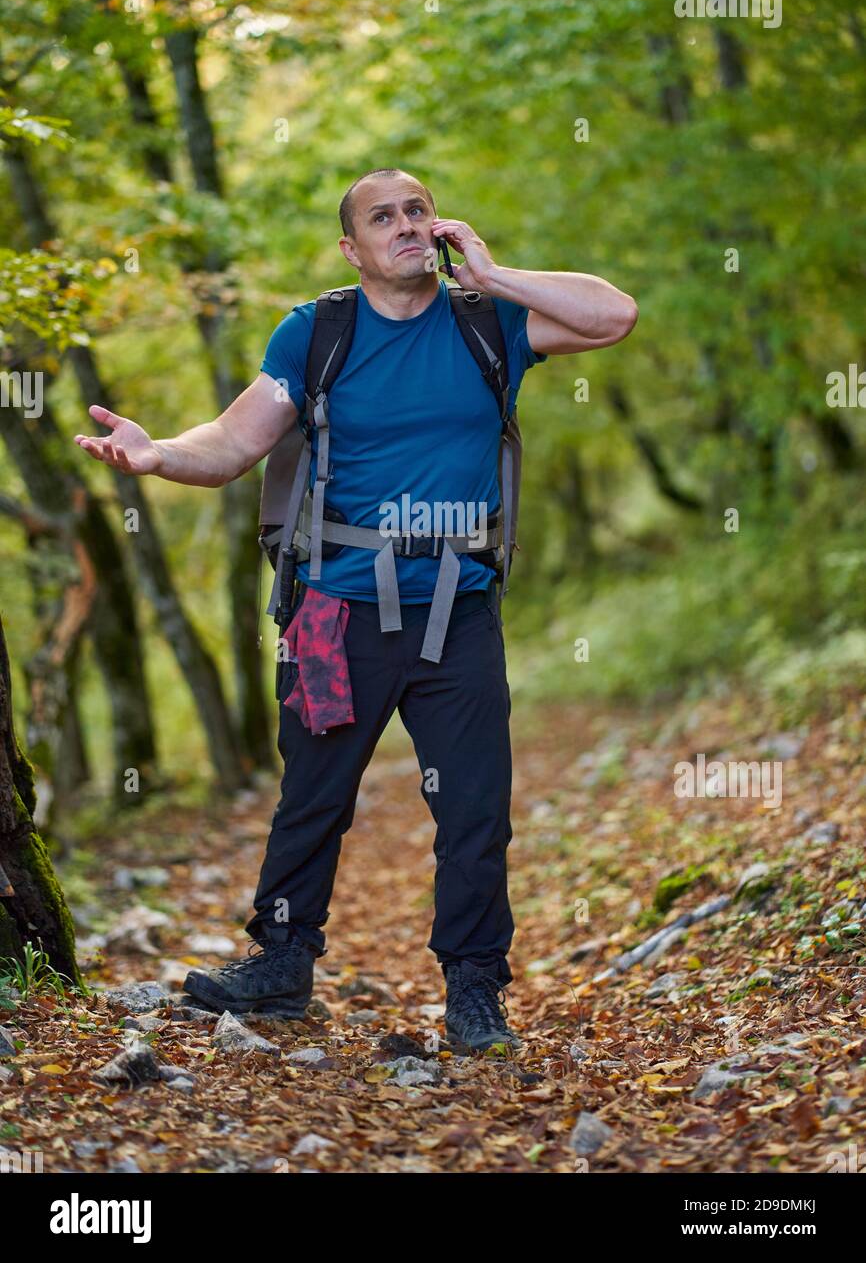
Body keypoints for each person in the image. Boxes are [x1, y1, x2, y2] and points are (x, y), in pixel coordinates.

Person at [74, 168, 638, 1051]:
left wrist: (491, 275)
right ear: (353, 248)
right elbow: (230, 444)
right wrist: (156, 457)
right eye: (385, 217)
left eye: (418, 210)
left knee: (476, 808)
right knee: (313, 794)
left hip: (460, 609)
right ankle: (282, 963)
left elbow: (616, 315)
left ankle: (476, 988)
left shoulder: (491, 322)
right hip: (334, 612)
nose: (408, 225)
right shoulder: (317, 333)